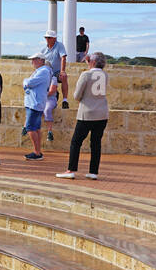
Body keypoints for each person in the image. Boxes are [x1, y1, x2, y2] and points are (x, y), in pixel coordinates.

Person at [58, 52, 110, 180]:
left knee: (76, 142)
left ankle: (71, 169)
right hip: (102, 113)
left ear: (92, 61)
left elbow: (77, 96)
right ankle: (93, 172)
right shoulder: (105, 75)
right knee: (96, 143)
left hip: (87, 113)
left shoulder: (86, 75)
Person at [22, 53, 54, 161]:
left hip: (34, 103)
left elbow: (30, 82)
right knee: (36, 128)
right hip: (35, 102)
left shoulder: (43, 71)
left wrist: (25, 81)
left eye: (34, 59)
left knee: (30, 127)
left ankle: (36, 152)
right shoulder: (42, 71)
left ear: (41, 60)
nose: (32, 62)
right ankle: (38, 151)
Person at [41, 30, 70, 108]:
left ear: (54, 38)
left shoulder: (59, 45)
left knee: (63, 76)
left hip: (56, 72)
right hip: (47, 73)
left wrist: (62, 71)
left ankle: (65, 101)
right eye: (46, 38)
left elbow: (63, 57)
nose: (47, 39)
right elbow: (40, 62)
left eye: (49, 38)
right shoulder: (43, 50)